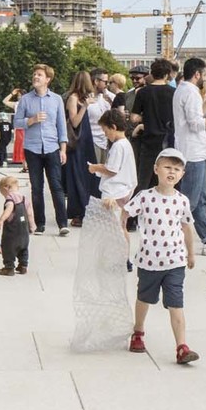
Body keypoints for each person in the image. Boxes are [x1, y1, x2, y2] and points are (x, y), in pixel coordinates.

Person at [127, 148, 200, 365]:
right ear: (156, 169)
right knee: (144, 298)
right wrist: (115, 210)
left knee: (176, 303)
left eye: (177, 169)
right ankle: (138, 331)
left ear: (182, 174)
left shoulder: (182, 201)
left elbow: (187, 227)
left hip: (175, 261)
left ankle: (182, 346)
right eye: (168, 167)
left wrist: (191, 253)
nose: (172, 172)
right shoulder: (145, 197)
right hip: (149, 261)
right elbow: (126, 212)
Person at [73, 108, 139, 350]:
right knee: (120, 225)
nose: (105, 134)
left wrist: (95, 168)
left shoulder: (119, 146)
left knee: (116, 226)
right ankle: (123, 257)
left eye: (104, 129)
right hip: (122, 189)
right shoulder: (125, 145)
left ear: (112, 127)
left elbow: (113, 170)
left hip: (115, 190)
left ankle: (122, 257)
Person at [12, 65, 70, 235]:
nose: (36, 77)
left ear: (47, 79)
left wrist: (63, 148)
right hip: (32, 148)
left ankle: (62, 223)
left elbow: (61, 125)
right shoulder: (26, 100)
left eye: (40, 75)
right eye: (34, 74)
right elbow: (17, 122)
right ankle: (40, 224)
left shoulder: (57, 99)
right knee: (36, 187)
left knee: (56, 186)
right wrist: (31, 120)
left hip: (52, 147)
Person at [173, 60, 206, 252]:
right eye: (204, 74)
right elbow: (196, 123)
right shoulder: (191, 92)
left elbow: (197, 116)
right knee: (190, 201)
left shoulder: (183, 90)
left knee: (199, 200)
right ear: (197, 74)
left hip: (190, 150)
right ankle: (170, 238)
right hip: (193, 153)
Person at [131, 59, 178, 201]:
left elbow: (134, 117)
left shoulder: (143, 92)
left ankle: (134, 217)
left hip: (148, 140)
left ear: (152, 73)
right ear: (167, 74)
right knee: (168, 180)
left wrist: (145, 119)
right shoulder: (174, 92)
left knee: (143, 180)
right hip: (168, 141)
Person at [62, 70, 98, 222]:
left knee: (89, 175)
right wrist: (84, 107)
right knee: (77, 176)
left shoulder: (89, 98)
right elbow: (75, 122)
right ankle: (78, 212)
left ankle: (89, 209)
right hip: (77, 141)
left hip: (87, 140)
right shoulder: (73, 98)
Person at [0, 175, 31, 276]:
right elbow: (30, 213)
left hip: (12, 231)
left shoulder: (10, 199)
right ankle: (23, 266)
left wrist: (1, 220)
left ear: (6, 188)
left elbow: (9, 209)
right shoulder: (24, 199)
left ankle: (9, 267)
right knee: (24, 248)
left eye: (2, 192)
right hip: (24, 230)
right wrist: (32, 225)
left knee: (8, 248)